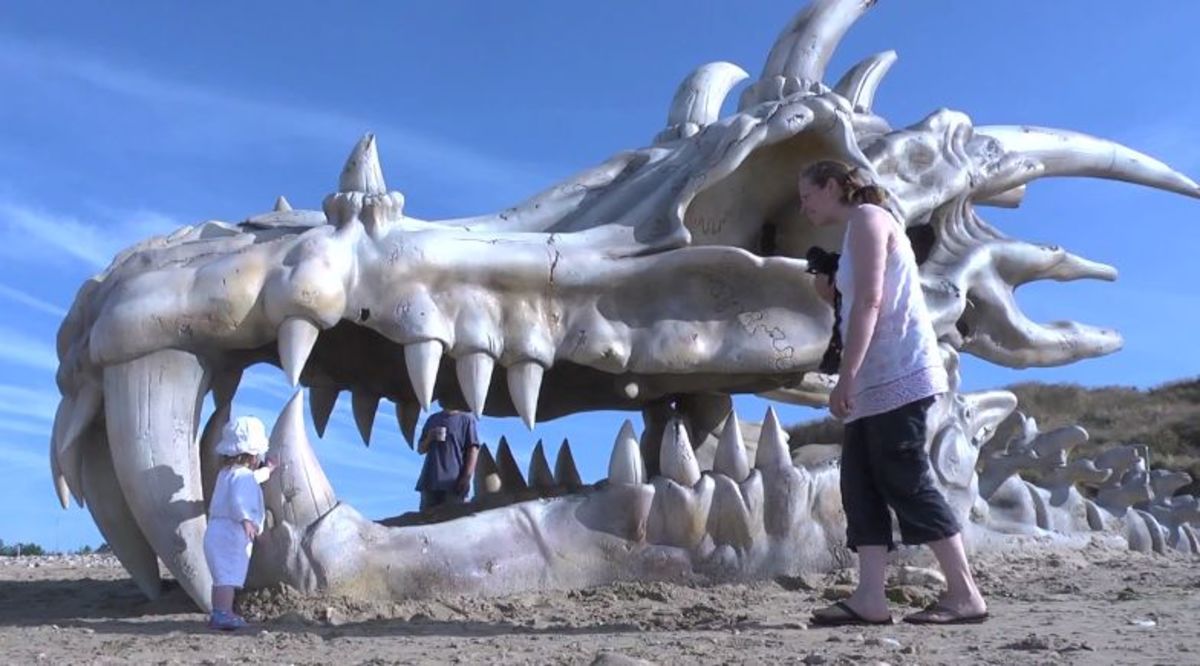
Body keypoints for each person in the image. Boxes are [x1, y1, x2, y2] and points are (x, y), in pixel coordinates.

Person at [798, 160, 988, 627]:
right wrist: (830, 291)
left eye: (807, 195)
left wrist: (846, 375)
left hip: (896, 373)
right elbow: (860, 297)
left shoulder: (867, 218)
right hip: (875, 379)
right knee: (861, 483)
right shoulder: (858, 229)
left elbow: (871, 302)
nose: (803, 206)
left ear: (831, 186)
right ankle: (869, 598)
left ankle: (965, 594)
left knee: (904, 477)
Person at [203, 415, 275, 631]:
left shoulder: (227, 474)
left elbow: (251, 480)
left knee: (222, 577)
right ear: (253, 454)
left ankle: (220, 612)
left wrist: (268, 471)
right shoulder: (242, 477)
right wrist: (247, 520)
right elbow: (239, 499)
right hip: (230, 532)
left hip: (216, 530)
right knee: (228, 576)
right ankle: (223, 614)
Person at [415, 408, 481, 510]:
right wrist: (429, 438)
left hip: (454, 482)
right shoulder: (432, 419)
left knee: (452, 521)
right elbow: (420, 449)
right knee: (425, 521)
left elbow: (473, 450)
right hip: (429, 481)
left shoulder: (466, 419)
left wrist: (466, 478)